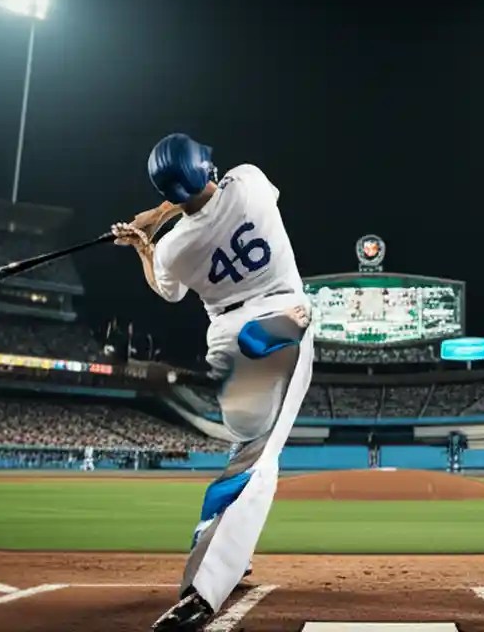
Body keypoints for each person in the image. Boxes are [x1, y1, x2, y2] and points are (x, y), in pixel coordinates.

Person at [112, 133, 313, 632]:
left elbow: (166, 288)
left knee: (248, 447)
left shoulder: (174, 249)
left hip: (224, 341)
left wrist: (143, 243)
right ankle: (203, 591)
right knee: (258, 460)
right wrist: (154, 218)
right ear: (207, 167)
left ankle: (224, 544)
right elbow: (209, 191)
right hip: (278, 317)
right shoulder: (248, 181)